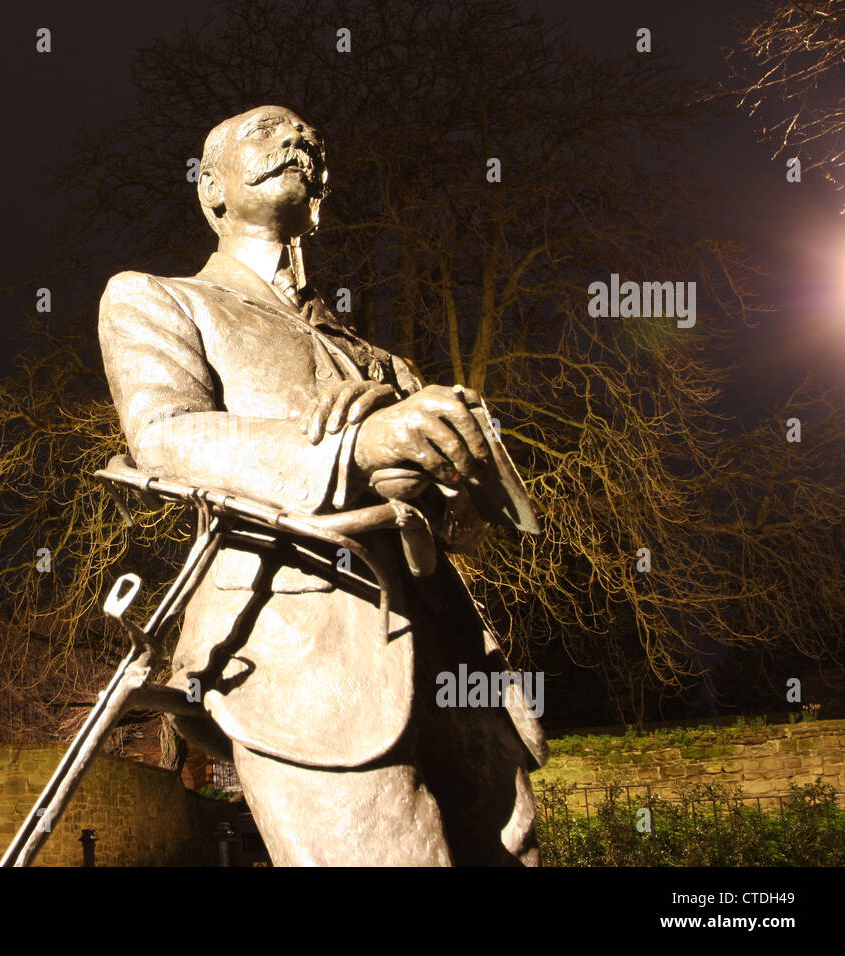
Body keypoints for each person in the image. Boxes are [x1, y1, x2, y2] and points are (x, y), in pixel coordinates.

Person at [98, 105, 546, 865]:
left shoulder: (377, 359)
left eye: (307, 139)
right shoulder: (160, 299)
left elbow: (476, 528)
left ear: (324, 188)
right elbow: (165, 437)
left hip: (446, 651)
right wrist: (358, 447)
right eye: (267, 133)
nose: (296, 142)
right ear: (211, 188)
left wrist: (462, 445)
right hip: (294, 652)